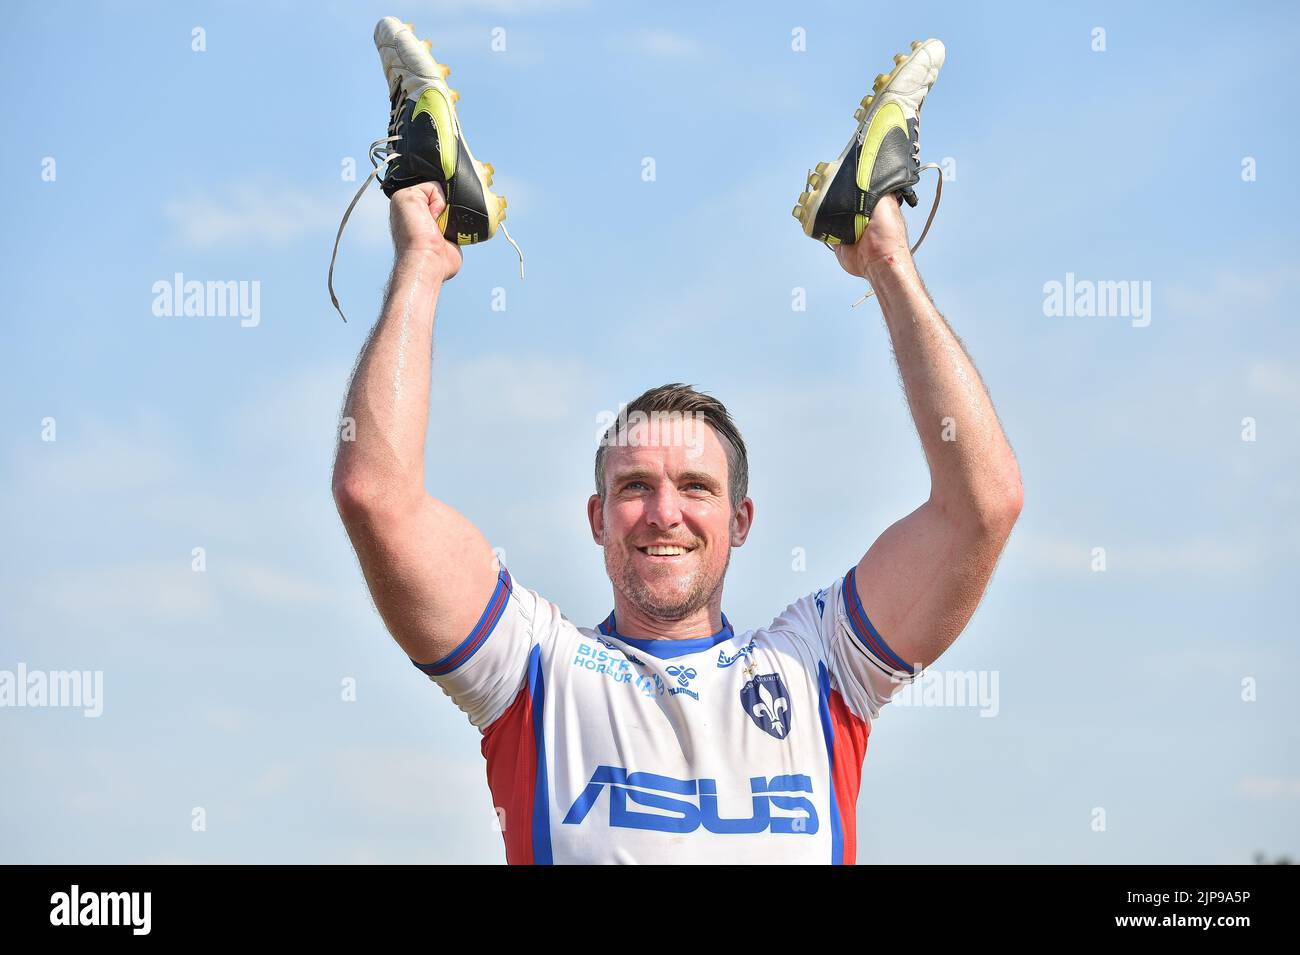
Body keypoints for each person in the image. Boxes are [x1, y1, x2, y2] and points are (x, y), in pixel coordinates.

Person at [331, 18, 1022, 864]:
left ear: (742, 518)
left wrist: (887, 260)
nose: (665, 512)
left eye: (696, 487)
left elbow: (983, 505)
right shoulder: (538, 670)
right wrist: (420, 263)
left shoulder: (818, 667)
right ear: (594, 516)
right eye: (634, 487)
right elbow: (377, 496)